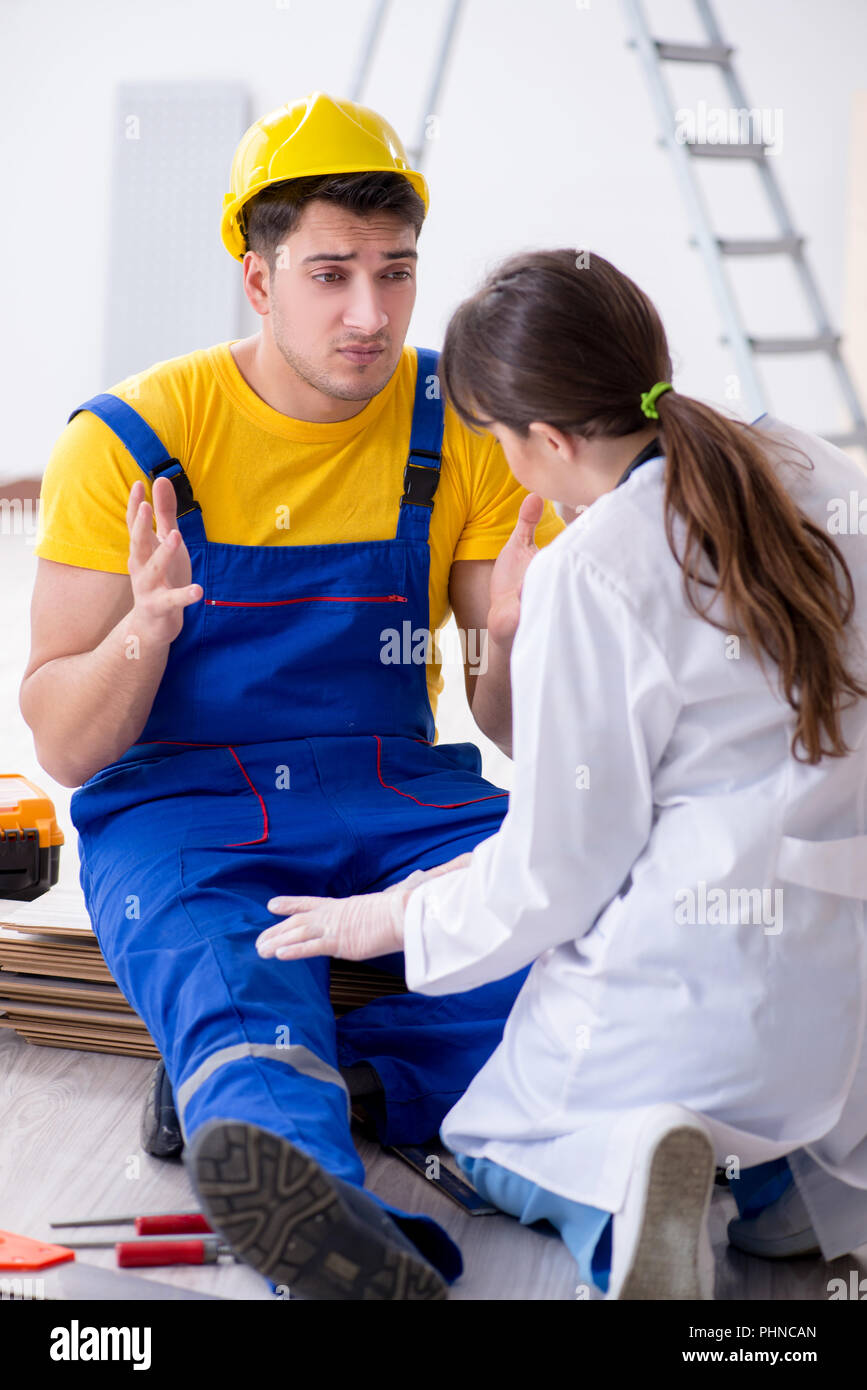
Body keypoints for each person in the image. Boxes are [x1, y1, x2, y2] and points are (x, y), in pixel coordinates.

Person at [19, 93, 567, 1302]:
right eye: (330, 274)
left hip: (402, 794)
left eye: (396, 273)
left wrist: (518, 636)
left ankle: (346, 1090)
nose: (370, 315)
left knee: (578, 929)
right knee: (234, 973)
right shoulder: (131, 438)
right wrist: (147, 631)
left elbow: (509, 726)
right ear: (258, 282)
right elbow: (61, 739)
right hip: (185, 809)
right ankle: (319, 1221)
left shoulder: (458, 425)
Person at [256, 248, 867, 1300]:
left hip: (683, 996)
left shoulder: (597, 569)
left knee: (488, 1135)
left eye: (499, 441)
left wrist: (391, 917)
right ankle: (763, 1194)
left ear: (544, 438)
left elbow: (558, 868)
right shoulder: (812, 468)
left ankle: (630, 1183)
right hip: (836, 988)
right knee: (788, 1207)